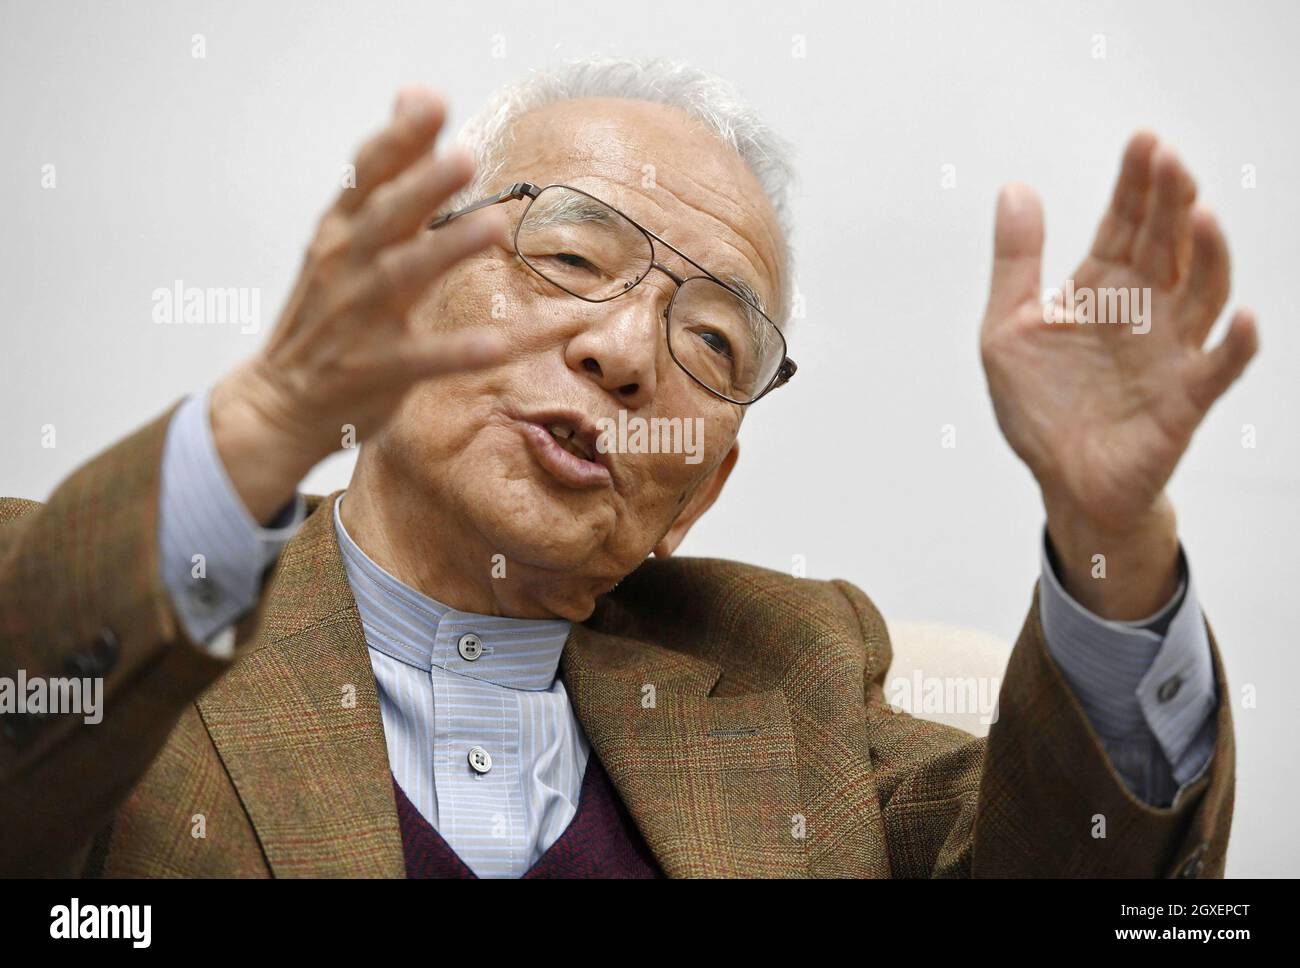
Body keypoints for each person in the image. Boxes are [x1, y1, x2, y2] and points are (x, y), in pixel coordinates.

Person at [0, 56, 1256, 877]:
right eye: (569, 256)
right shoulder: (90, 624)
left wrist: (1110, 528)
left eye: (711, 336)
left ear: (701, 489)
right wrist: (266, 419)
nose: (620, 350)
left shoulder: (790, 669)